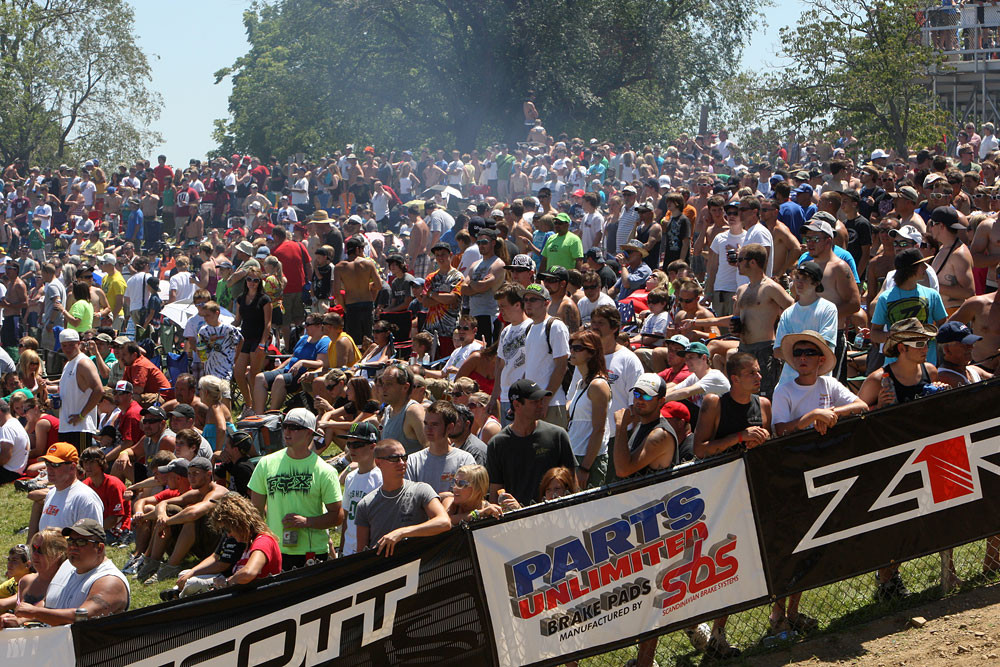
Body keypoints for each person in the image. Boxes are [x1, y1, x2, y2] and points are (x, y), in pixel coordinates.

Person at [769, 330, 866, 634]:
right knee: (791, 544)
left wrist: (830, 412)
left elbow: (862, 406)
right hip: (793, 474)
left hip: (823, 472)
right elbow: (780, 430)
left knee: (810, 545)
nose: (802, 358)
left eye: (809, 353)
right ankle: (777, 616)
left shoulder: (829, 384)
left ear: (821, 359)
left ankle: (793, 612)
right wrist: (812, 416)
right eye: (798, 353)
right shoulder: (783, 390)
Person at [248, 409, 343, 570]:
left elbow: (337, 516)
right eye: (285, 426)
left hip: (311, 554)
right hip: (275, 551)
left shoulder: (324, 471)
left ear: (309, 433)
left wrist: (307, 522)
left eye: (294, 427)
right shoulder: (266, 464)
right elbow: (254, 511)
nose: (287, 431)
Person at [3, 519, 128, 627]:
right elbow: (47, 604)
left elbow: (83, 616)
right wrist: (19, 620)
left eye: (81, 542)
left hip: (88, 653)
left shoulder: (110, 581)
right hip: (56, 648)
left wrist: (34, 612)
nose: (73, 547)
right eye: (71, 541)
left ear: (100, 548)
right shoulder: (67, 566)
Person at [134, 456, 228, 585]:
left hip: (221, 545)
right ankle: (152, 564)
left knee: (191, 518)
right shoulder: (197, 492)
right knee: (170, 509)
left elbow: (193, 513)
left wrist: (166, 521)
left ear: (209, 475)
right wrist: (162, 516)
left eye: (195, 474)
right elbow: (164, 503)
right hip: (202, 542)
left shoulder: (218, 492)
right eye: (189, 474)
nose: (191, 478)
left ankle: (171, 567)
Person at [487, 379, 575, 508]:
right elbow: (496, 490)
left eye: (541, 400)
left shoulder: (558, 435)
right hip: (517, 519)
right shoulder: (497, 444)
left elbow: (572, 482)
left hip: (555, 515)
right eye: (534, 402)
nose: (541, 405)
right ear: (517, 405)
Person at [354, 439, 451, 556]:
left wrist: (402, 533)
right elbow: (361, 553)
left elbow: (444, 522)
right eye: (394, 459)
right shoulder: (365, 504)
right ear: (378, 463)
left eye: (404, 458)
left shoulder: (421, 490)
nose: (401, 463)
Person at [774, 261, 839, 387]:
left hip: (819, 383)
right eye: (797, 278)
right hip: (788, 383)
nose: (799, 282)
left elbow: (825, 346)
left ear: (816, 283)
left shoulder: (828, 309)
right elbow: (777, 350)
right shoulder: (787, 313)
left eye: (804, 279)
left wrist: (794, 350)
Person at [252, 314, 329, 413]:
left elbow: (321, 363)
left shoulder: (324, 341)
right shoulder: (304, 339)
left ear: (319, 326)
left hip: (302, 375)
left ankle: (272, 414)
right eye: (305, 324)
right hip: (288, 370)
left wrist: (302, 362)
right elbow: (293, 357)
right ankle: (259, 415)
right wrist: (277, 369)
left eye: (308, 324)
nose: (305, 326)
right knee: (260, 377)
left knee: (280, 379)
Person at [564, 329, 611, 488]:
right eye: (571, 347)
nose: (572, 351)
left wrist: (585, 467)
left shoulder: (598, 385)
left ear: (591, 353)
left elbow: (599, 430)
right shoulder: (581, 384)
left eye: (578, 348)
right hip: (575, 455)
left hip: (589, 460)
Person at [521, 283, 571, 428]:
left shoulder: (555, 326)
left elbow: (561, 366)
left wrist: (546, 399)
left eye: (534, 300)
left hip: (551, 404)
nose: (528, 303)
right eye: (526, 299)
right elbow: (531, 366)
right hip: (531, 404)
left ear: (546, 303)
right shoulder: (529, 328)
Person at [613, 373, 678, 478]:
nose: (640, 400)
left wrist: (621, 426)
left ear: (661, 401)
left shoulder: (660, 434)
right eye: (637, 394)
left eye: (647, 396)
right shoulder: (642, 424)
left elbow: (623, 471)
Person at [406, 401, 476, 493]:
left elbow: (469, 495)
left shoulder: (465, 460)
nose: (428, 429)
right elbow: (409, 497)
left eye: (435, 424)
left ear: (450, 428)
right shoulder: (413, 461)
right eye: (426, 424)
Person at [232, 266, 271, 416]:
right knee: (238, 372)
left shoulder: (264, 299)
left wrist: (262, 343)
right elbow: (237, 320)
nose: (252, 283)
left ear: (259, 281)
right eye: (249, 279)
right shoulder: (241, 299)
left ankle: (257, 406)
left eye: (255, 280)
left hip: (258, 339)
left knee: (254, 374)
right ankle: (248, 404)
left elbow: (268, 323)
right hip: (245, 338)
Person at [57, 329, 102, 450]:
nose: (68, 348)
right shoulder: (68, 364)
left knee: (80, 466)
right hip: (66, 427)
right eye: (64, 345)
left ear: (79, 343)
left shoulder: (83, 363)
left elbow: (99, 390)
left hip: (80, 428)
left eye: (71, 345)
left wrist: (82, 415)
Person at [333, 236, 380, 347]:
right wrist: (369, 290)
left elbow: (336, 292)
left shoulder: (339, 267)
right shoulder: (368, 264)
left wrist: (344, 307)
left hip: (351, 305)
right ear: (358, 249)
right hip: (367, 303)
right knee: (368, 339)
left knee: (354, 341)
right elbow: (378, 285)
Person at [378, 364, 427, 455]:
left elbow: (430, 447)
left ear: (405, 387)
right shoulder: (388, 410)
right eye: (382, 383)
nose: (383, 389)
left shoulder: (413, 411)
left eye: (389, 384)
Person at [934, 321, 993, 387]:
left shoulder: (973, 370)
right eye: (965, 344)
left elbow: (995, 380)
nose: (971, 347)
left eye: (971, 343)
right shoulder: (944, 377)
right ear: (947, 350)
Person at [0, 397, 29, 484]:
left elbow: (5, 457)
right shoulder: (15, 422)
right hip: (15, 470)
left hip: (8, 473)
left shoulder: (7, 428)